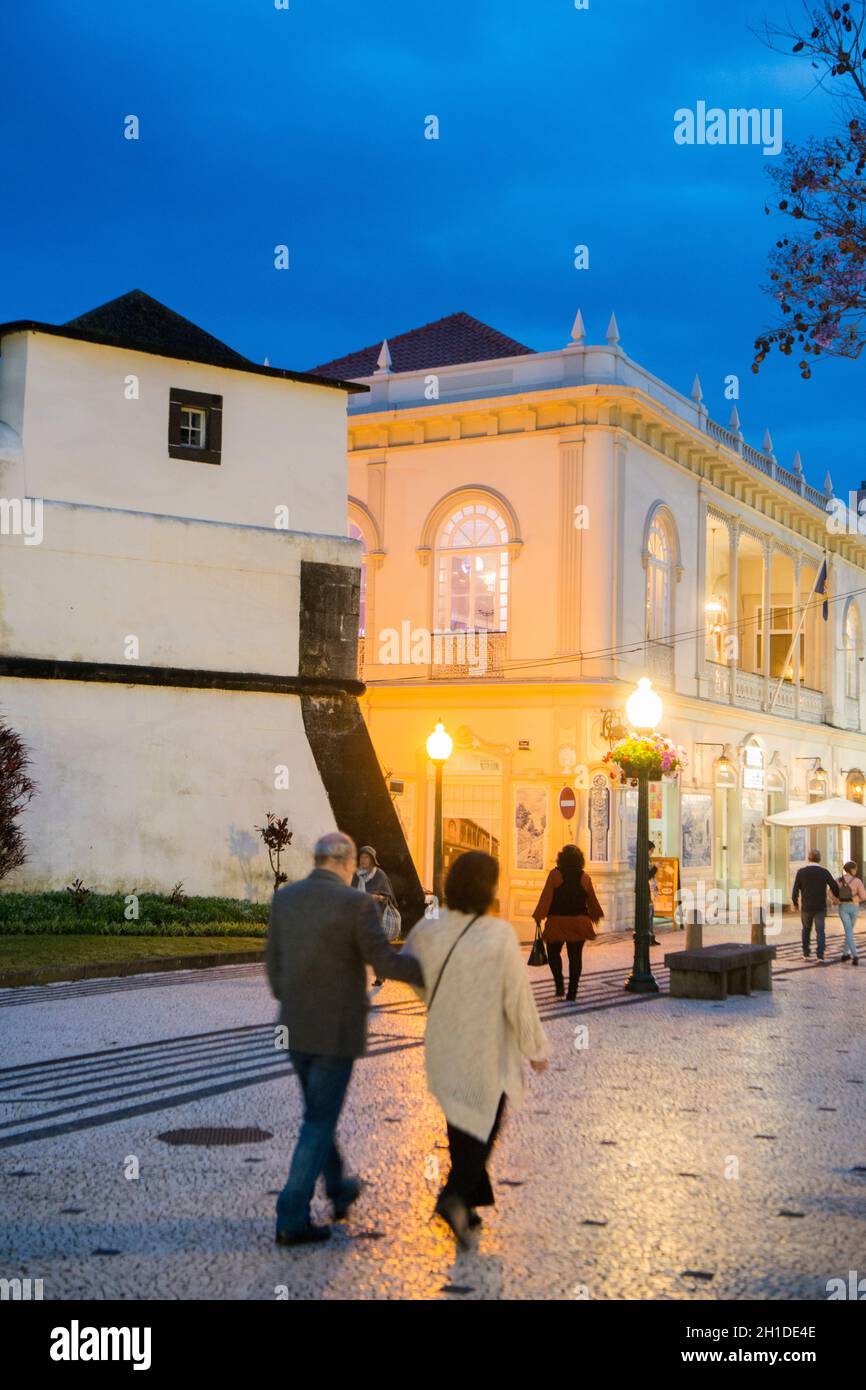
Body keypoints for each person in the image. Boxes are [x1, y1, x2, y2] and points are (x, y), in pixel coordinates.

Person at [266, 831, 424, 1246]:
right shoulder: (355, 903)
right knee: (319, 1119)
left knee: (319, 1114)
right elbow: (384, 960)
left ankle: (338, 1188)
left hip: (294, 1029)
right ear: (346, 862)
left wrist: (296, 1000)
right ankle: (291, 1214)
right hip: (335, 1032)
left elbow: (274, 972)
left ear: (317, 859)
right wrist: (431, 973)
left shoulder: (285, 899)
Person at [403, 850, 549, 1250]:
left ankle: (469, 1205)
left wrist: (435, 997)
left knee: (460, 1126)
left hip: (445, 1043)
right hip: (487, 1048)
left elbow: (409, 970)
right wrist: (535, 1046)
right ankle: (454, 1197)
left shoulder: (428, 928)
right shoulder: (497, 934)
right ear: (488, 888)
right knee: (483, 1127)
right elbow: (518, 998)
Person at [531, 844, 604, 1000]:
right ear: (580, 860)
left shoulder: (555, 875)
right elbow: (592, 900)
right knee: (575, 956)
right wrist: (596, 915)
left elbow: (546, 897)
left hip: (557, 922)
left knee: (553, 954)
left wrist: (539, 915)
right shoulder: (585, 877)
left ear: (561, 858)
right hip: (579, 922)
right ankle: (572, 992)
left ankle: (559, 985)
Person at [352, 845, 398, 989]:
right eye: (361, 857)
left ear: (372, 860)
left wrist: (377, 897)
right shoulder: (356, 875)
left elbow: (388, 896)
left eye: (366, 857)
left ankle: (380, 975)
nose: (363, 860)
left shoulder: (380, 875)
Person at [792, 849, 839, 962]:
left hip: (806, 907)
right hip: (820, 907)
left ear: (808, 858)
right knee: (820, 931)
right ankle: (820, 955)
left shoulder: (801, 872)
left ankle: (806, 953)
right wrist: (835, 898)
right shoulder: (824, 872)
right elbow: (834, 886)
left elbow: (795, 889)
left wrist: (795, 903)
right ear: (820, 859)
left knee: (806, 930)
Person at [836, 860, 864, 965]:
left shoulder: (838, 880)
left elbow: (829, 893)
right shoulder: (857, 881)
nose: (856, 870)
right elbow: (864, 897)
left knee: (848, 932)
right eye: (855, 868)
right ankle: (855, 955)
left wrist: (836, 900)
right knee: (849, 931)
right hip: (854, 908)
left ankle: (844, 954)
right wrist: (855, 899)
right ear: (852, 869)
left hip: (842, 907)